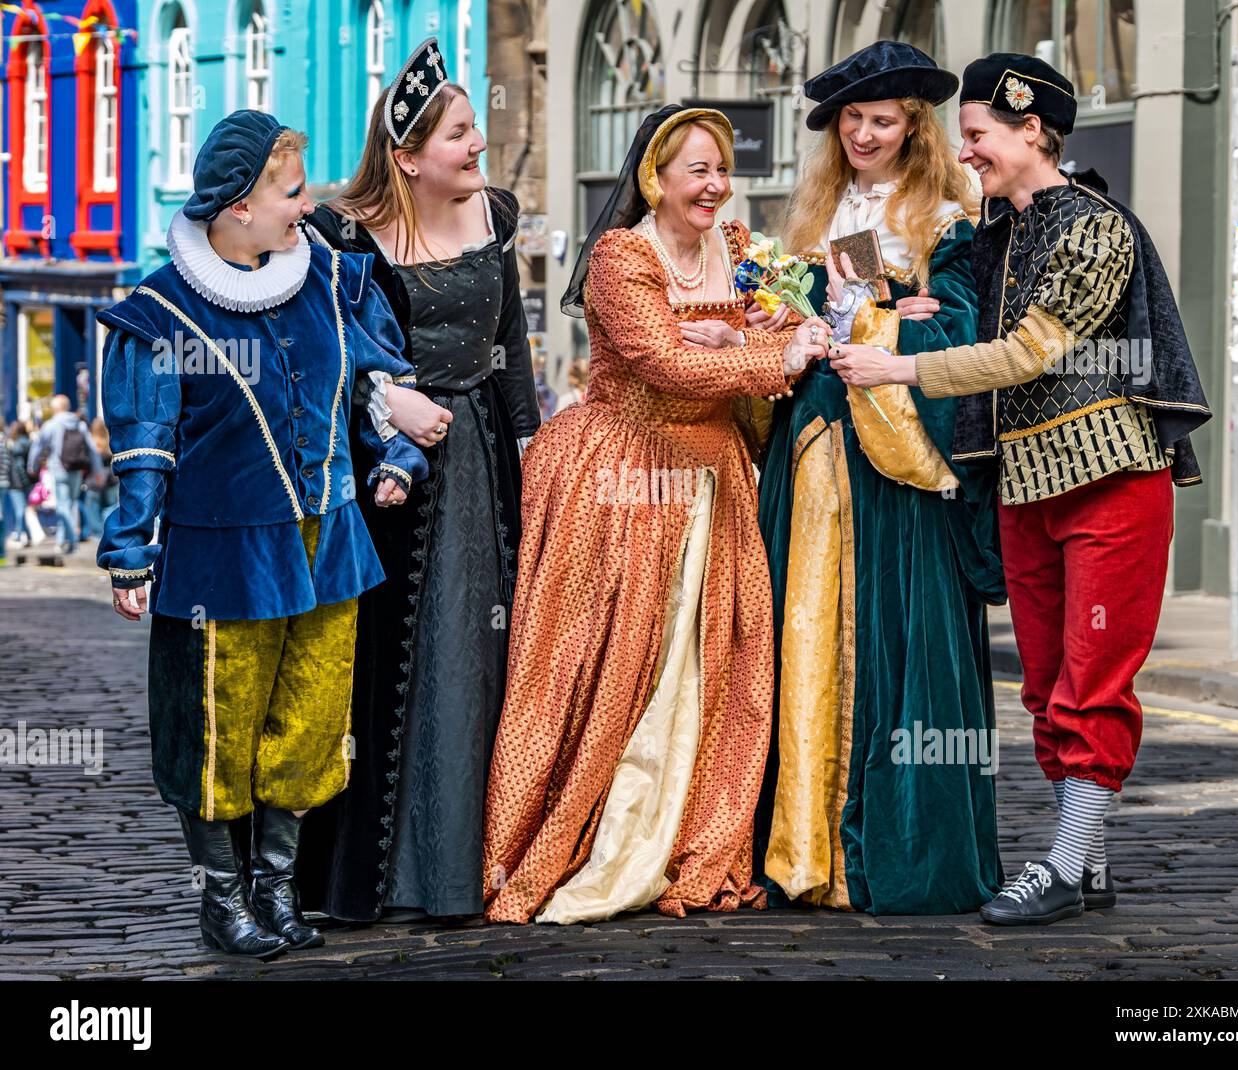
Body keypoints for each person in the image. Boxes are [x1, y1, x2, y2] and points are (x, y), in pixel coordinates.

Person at [834, 53, 1211, 924]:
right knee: (1045, 685)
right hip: (1024, 488)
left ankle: (1068, 863)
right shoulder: (996, 231)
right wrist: (911, 303)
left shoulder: (1094, 228)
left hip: (1108, 479)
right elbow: (963, 309)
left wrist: (900, 364)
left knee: (1091, 682)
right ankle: (1095, 864)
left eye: (977, 136)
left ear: (1030, 129)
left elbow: (1032, 351)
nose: (963, 152)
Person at [481, 104, 829, 925]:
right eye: (697, 170)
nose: (715, 185)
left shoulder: (739, 251)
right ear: (655, 179)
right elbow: (666, 363)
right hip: (624, 478)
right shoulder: (619, 256)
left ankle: (688, 840)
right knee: (606, 667)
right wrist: (765, 354)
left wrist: (767, 337)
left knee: (715, 668)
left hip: (714, 476)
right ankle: (579, 838)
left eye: (721, 168)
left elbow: (778, 319)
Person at [95, 109, 428, 958]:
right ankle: (222, 894)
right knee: (215, 726)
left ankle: (278, 886)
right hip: (220, 556)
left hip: (330, 546)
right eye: (288, 191)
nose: (305, 204)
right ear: (238, 207)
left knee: (313, 722)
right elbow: (145, 446)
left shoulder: (332, 281)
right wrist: (131, 550)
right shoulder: (159, 315)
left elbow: (378, 383)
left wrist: (393, 453)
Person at [749, 41, 1006, 916]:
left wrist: (892, 326)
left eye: (883, 119)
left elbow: (966, 334)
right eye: (852, 119)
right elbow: (821, 312)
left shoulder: (946, 212)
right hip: (815, 435)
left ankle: (891, 850)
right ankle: (802, 845)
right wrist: (788, 323)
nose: (864, 132)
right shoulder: (822, 208)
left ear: (914, 126)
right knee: (801, 627)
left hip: (895, 458)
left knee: (893, 634)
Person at [297, 37, 541, 923]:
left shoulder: (496, 215)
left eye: (478, 129)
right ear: (406, 158)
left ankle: (465, 867)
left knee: (479, 658)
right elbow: (317, 351)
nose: (480, 145)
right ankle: (368, 876)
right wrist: (386, 401)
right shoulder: (343, 237)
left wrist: (533, 448)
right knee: (380, 665)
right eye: (461, 136)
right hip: (388, 466)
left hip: (478, 459)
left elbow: (510, 347)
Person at [27, 396, 100, 554]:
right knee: (70, 505)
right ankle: (61, 541)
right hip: (77, 470)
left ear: (55, 408)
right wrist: (97, 470)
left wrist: (31, 465)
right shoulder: (80, 424)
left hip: (59, 470)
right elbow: (92, 449)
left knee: (61, 508)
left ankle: (73, 539)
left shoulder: (51, 424)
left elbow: (38, 446)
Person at [81, 419, 118, 539]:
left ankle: (99, 538)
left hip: (94, 483)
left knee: (93, 512)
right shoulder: (111, 441)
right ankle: (109, 534)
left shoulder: (91, 443)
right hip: (112, 481)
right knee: (110, 509)